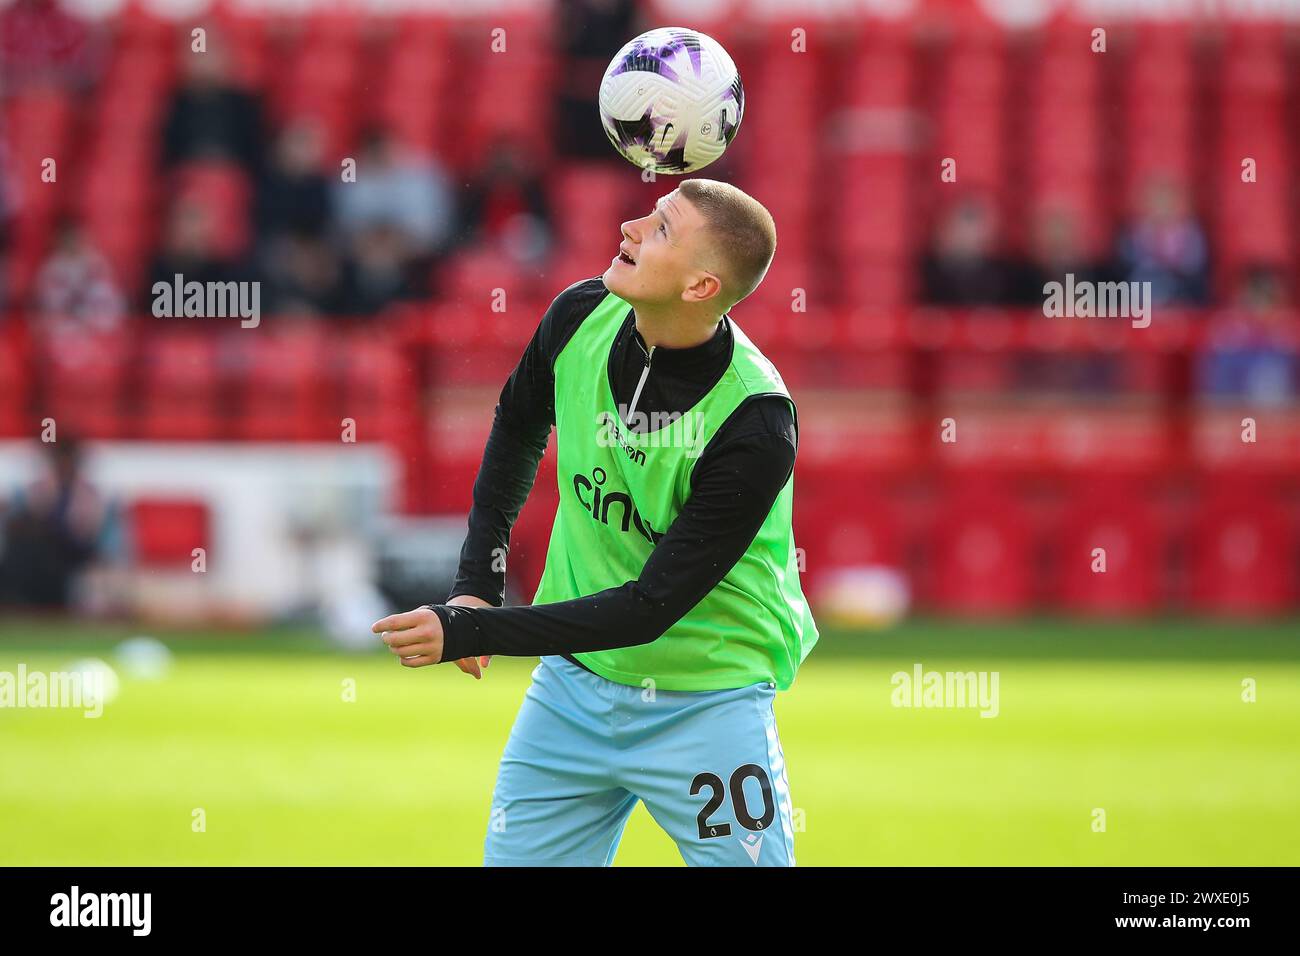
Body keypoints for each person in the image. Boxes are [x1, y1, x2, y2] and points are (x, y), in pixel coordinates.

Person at [371, 179, 819, 866]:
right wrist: (477, 582)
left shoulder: (756, 423)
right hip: (572, 692)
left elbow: (648, 609)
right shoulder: (582, 313)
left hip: (708, 703)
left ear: (701, 288)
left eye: (662, 229)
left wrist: (472, 627)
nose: (631, 226)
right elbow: (518, 425)